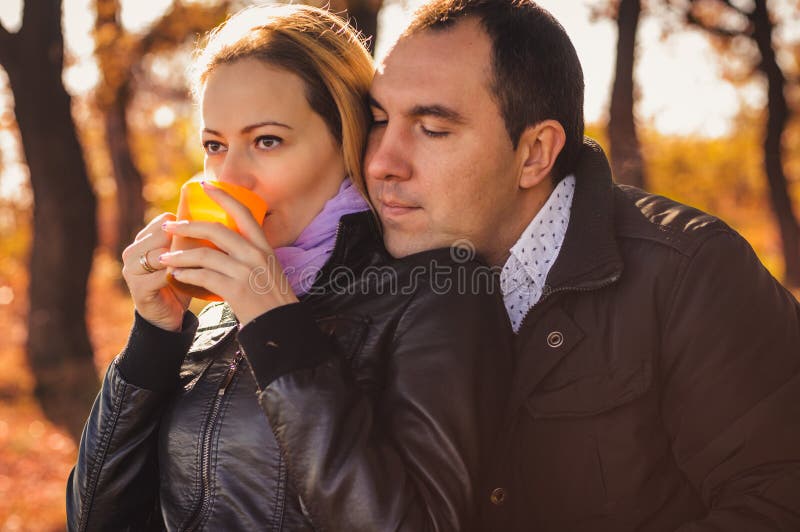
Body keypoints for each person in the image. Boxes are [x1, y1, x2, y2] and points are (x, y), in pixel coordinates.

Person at [66, 5, 512, 531]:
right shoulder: (214, 316)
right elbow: (94, 520)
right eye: (214, 145)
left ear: (348, 143)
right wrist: (153, 339)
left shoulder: (438, 298)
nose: (230, 176)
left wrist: (274, 322)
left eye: (267, 141)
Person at [363, 0, 800, 530]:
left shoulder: (692, 274)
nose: (382, 163)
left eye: (432, 128)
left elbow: (778, 501)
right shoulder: (364, 277)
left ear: (534, 154)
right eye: (379, 120)